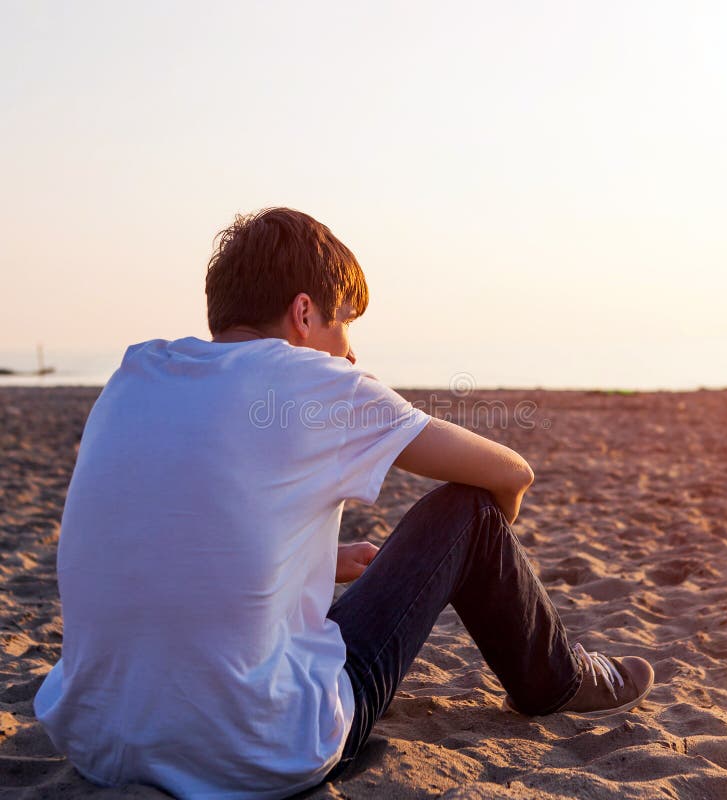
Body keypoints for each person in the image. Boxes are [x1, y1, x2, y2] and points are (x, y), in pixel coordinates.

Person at [33, 207, 654, 799]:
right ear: (303, 313)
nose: (351, 351)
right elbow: (508, 471)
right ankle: (559, 679)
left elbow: (169, 526)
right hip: (259, 749)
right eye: (344, 324)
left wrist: (316, 559)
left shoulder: (136, 374)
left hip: (95, 739)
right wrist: (497, 523)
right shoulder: (316, 382)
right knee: (467, 509)